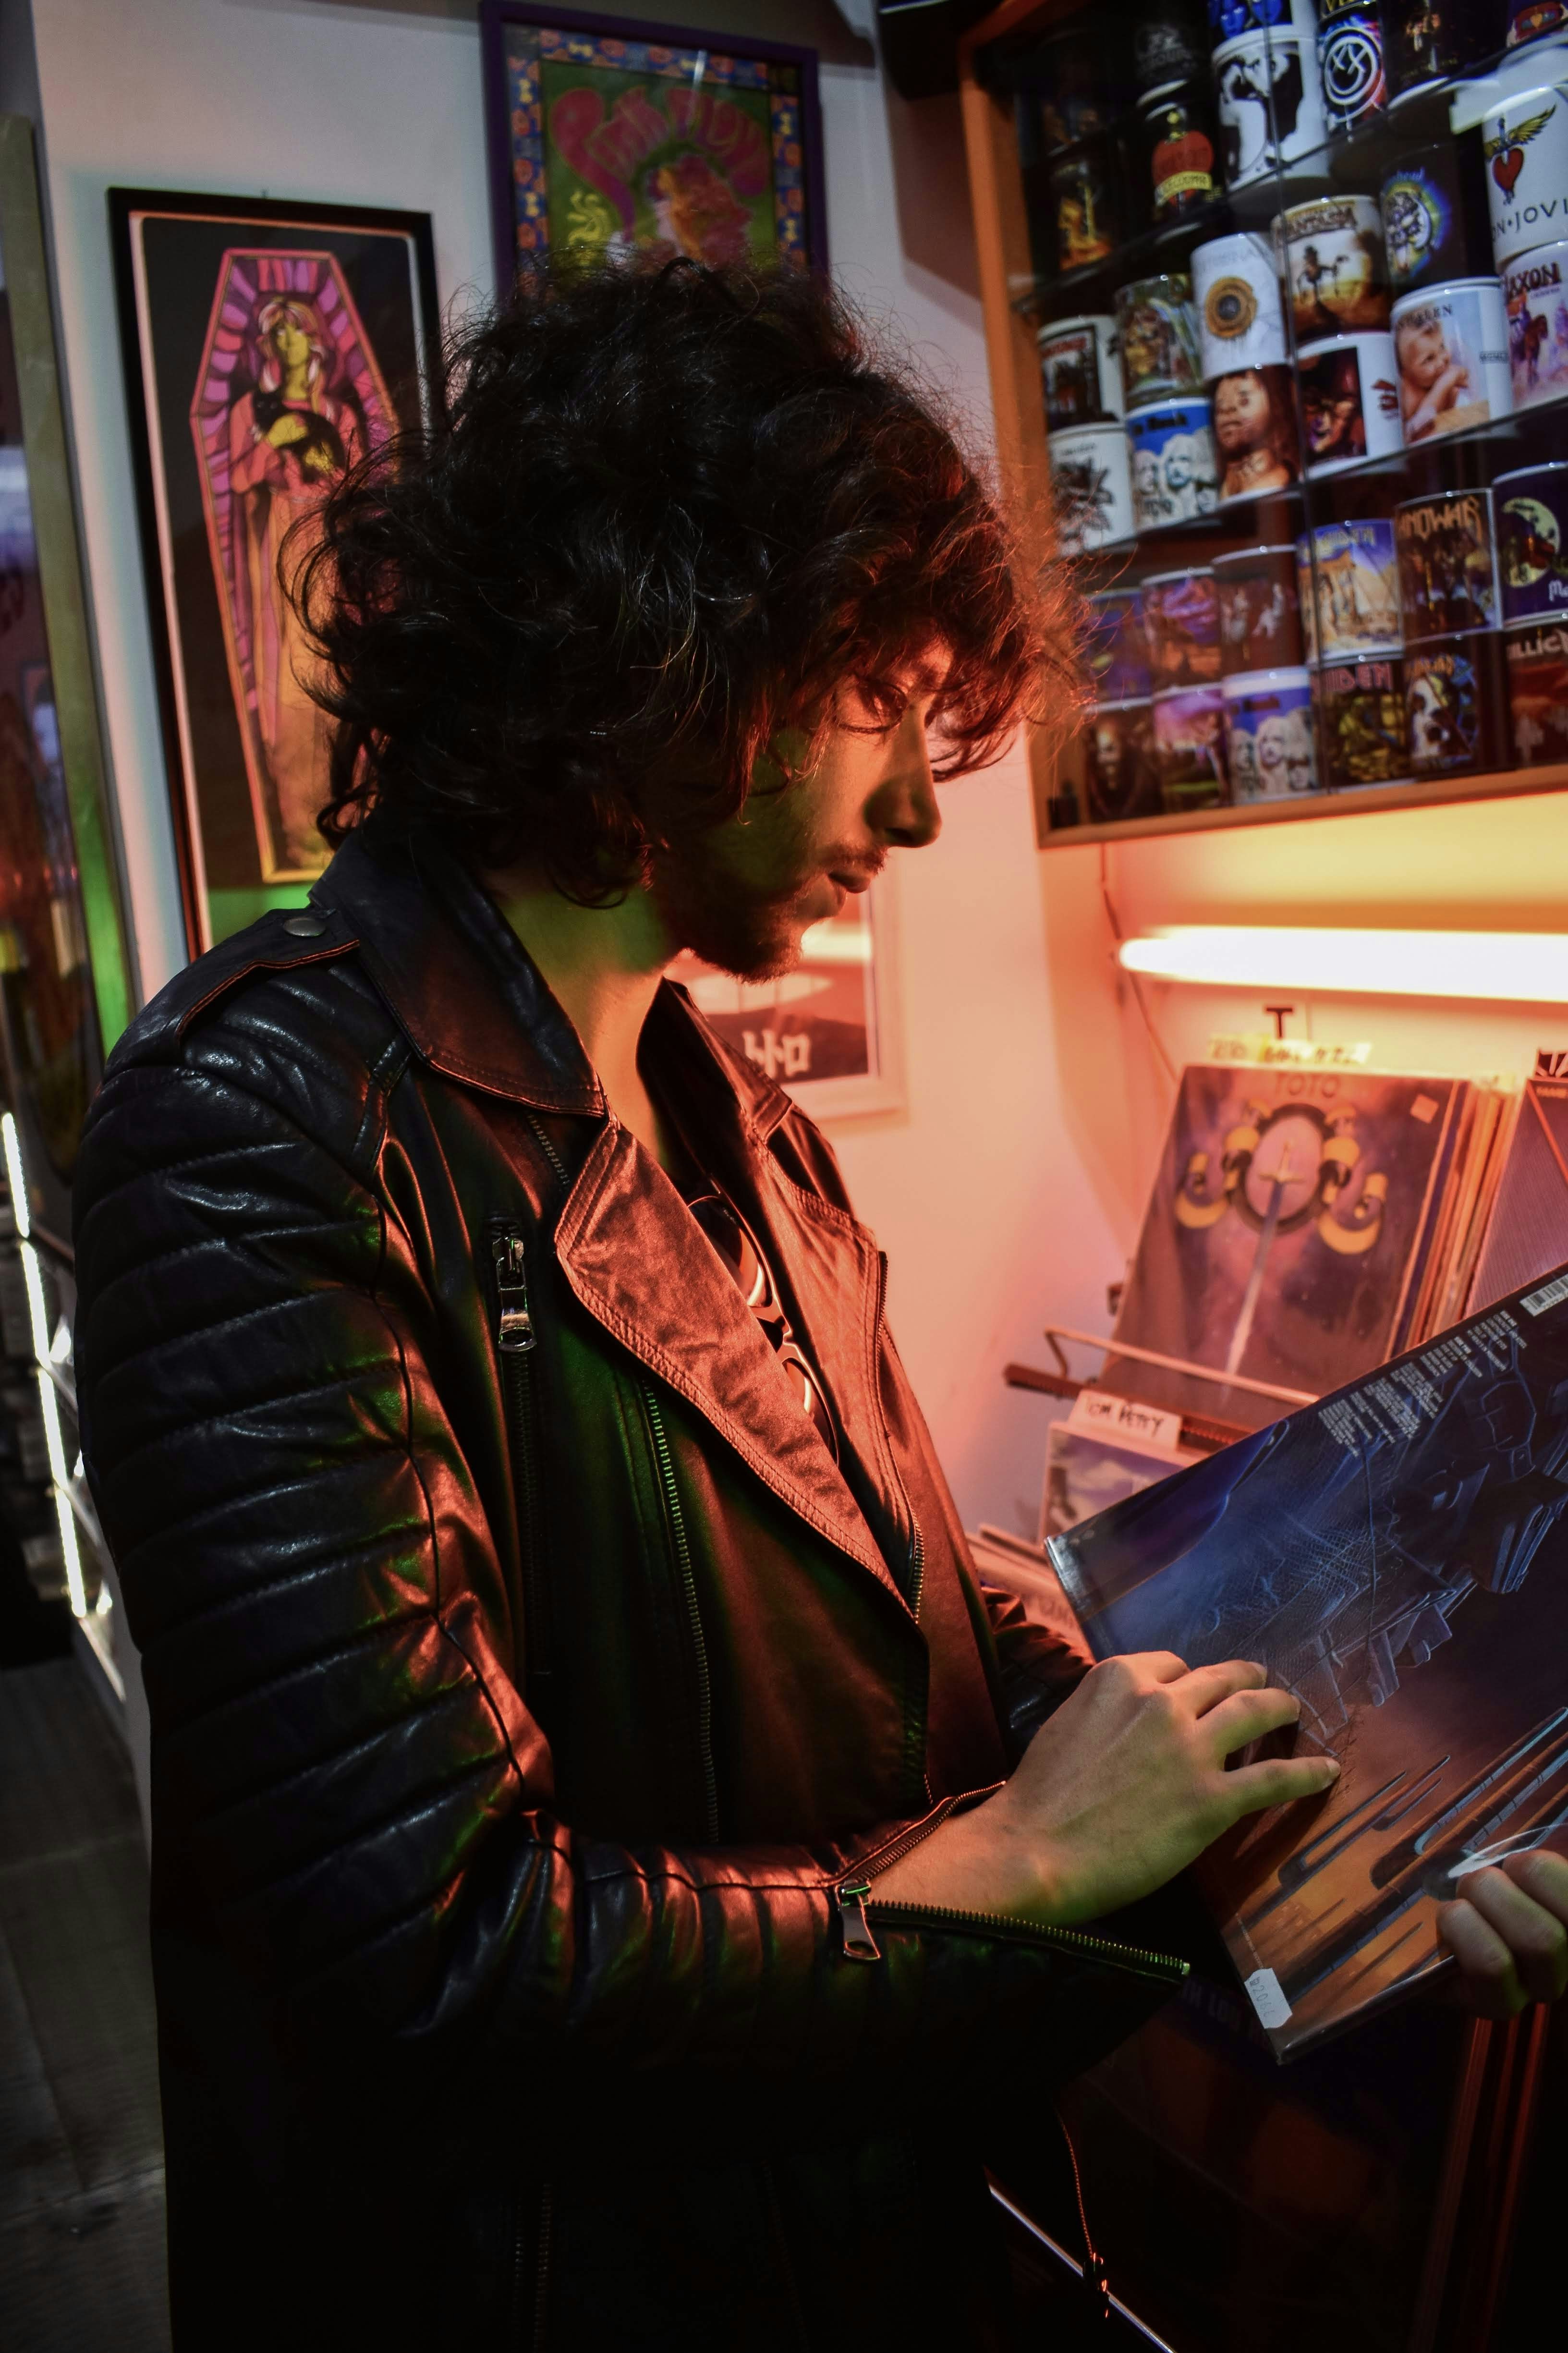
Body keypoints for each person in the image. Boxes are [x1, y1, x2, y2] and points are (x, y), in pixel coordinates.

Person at [72, 259, 1568, 2352]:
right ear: (672, 656)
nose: (917, 804)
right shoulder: (260, 1126)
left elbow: (903, 1607)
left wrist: (1341, 1808)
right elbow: (427, 1958)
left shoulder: (721, 1107)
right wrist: (1026, 1867)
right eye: (880, 698)